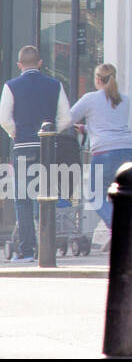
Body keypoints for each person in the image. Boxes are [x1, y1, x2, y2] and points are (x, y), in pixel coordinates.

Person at [0, 46, 71, 261]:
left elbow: (4, 118)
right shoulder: (55, 85)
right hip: (47, 148)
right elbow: (66, 117)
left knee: (23, 199)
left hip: (23, 147)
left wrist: (15, 134)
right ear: (40, 63)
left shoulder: (11, 86)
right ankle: (46, 247)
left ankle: (27, 250)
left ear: (19, 65)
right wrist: (51, 132)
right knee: (46, 197)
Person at [68, 63, 132, 239]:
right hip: (129, 151)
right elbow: (110, 124)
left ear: (98, 79)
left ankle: (117, 227)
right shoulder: (125, 99)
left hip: (106, 154)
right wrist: (86, 128)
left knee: (94, 192)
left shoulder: (90, 98)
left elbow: (68, 118)